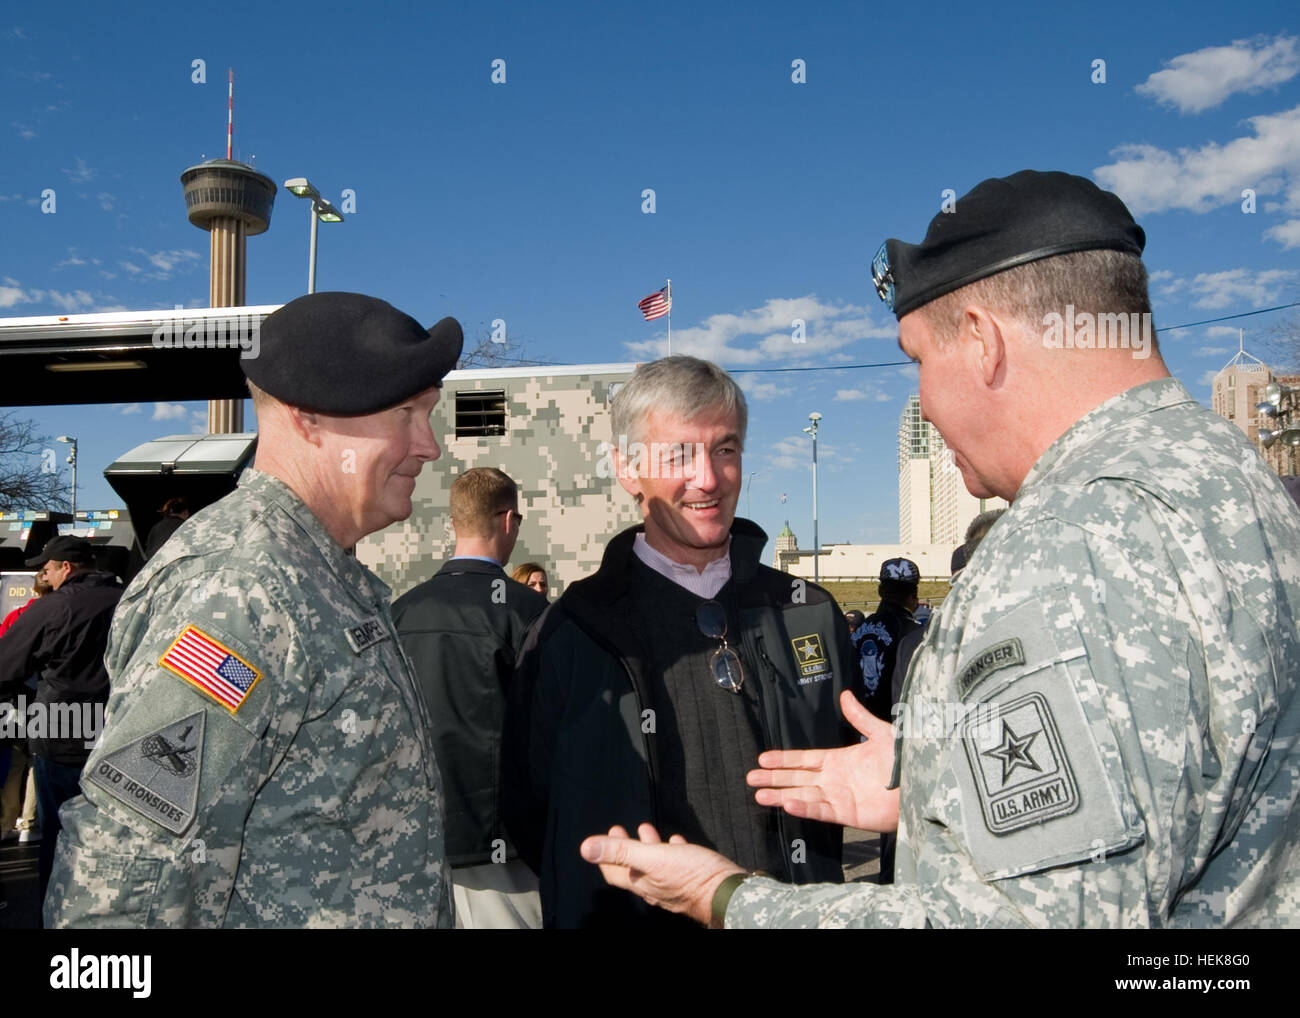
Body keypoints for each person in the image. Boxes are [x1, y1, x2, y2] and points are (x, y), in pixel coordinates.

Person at [579, 170, 1300, 929]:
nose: (922, 398)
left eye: (917, 359)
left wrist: (729, 899)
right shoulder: (1234, 477)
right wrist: (936, 783)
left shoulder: (1071, 541)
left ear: (983, 341)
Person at [45, 291, 463, 928]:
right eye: (406, 413)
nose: (429, 446)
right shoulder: (242, 588)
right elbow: (127, 872)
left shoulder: (311, 569)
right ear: (308, 418)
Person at [503, 355, 855, 928]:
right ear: (627, 469)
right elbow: (528, 809)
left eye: (725, 449)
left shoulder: (807, 614)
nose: (708, 479)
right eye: (679, 455)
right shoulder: (569, 632)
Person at [393, 467, 548, 928]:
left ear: (455, 522)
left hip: (415, 840)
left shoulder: (400, 611)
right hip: (504, 848)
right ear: (508, 521)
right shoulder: (529, 612)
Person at [0, 536, 123, 909]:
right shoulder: (129, 599)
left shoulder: (54, 606)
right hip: (118, 733)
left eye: (47, 569)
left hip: (61, 733)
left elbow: (6, 667)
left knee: (58, 839)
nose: (45, 576)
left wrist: (23, 706)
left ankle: (57, 915)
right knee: (112, 840)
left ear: (66, 567)